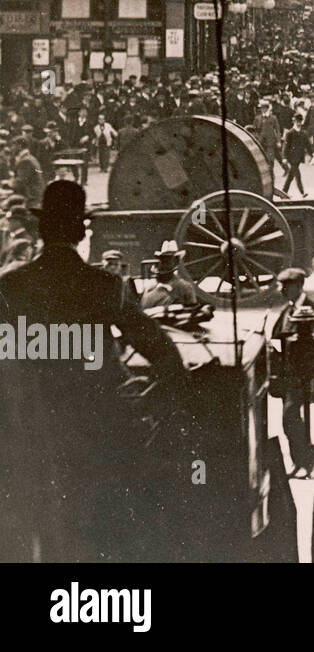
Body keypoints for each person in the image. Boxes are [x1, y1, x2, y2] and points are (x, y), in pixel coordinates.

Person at [0, 181, 188, 561]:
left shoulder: (10, 286)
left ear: (40, 230)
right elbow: (164, 356)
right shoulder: (105, 285)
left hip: (25, 439)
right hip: (99, 439)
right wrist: (168, 403)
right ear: (82, 231)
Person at [270, 268, 314, 478]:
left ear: (299, 286)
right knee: (290, 419)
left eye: (286, 286)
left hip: (305, 378)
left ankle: (307, 458)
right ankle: (301, 460)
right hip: (287, 376)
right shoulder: (289, 308)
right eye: (281, 286)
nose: (282, 290)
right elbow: (278, 337)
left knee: (289, 418)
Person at [281, 114, 308, 197]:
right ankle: (301, 192)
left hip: (299, 157)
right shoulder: (290, 133)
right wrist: (284, 157)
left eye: (300, 121)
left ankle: (284, 192)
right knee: (295, 175)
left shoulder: (303, 133)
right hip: (292, 158)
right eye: (297, 121)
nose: (298, 123)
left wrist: (313, 153)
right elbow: (285, 146)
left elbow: (308, 145)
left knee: (292, 175)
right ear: (294, 121)